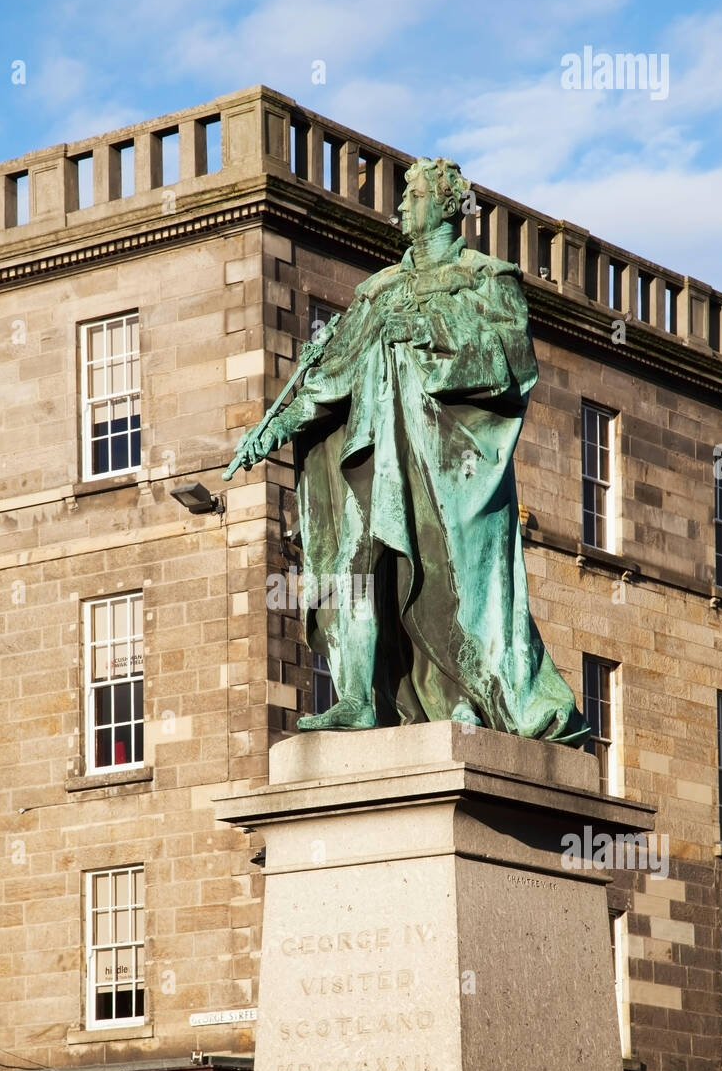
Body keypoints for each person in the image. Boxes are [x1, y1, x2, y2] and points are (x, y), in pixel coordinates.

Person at [232, 157, 589, 743]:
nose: (400, 207)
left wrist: (427, 332)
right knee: (355, 563)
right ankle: (356, 697)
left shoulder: (486, 279)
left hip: (446, 466)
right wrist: (275, 429)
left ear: (447, 206)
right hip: (371, 454)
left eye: (413, 195)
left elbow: (512, 363)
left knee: (449, 586)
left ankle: (471, 696)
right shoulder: (378, 290)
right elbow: (330, 375)